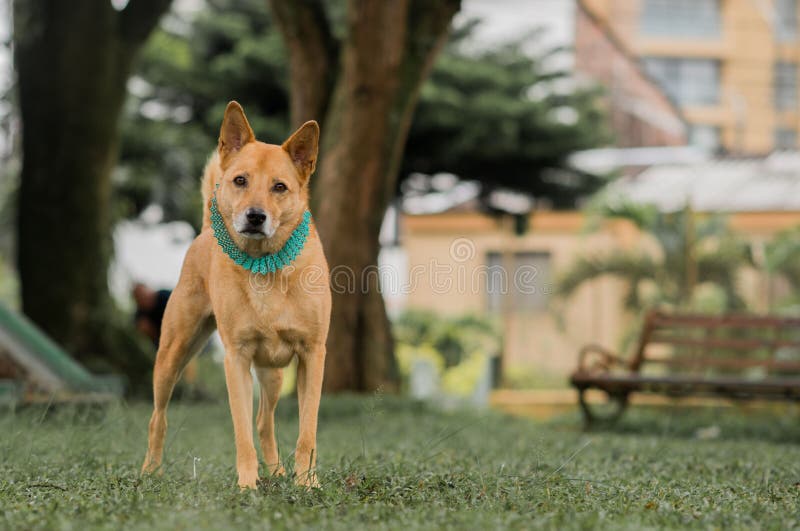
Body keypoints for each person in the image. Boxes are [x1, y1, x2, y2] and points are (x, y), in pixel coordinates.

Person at [132, 283, 171, 347]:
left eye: (144, 294)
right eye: (140, 297)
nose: (144, 298)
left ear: (149, 290)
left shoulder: (164, 295)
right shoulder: (141, 317)